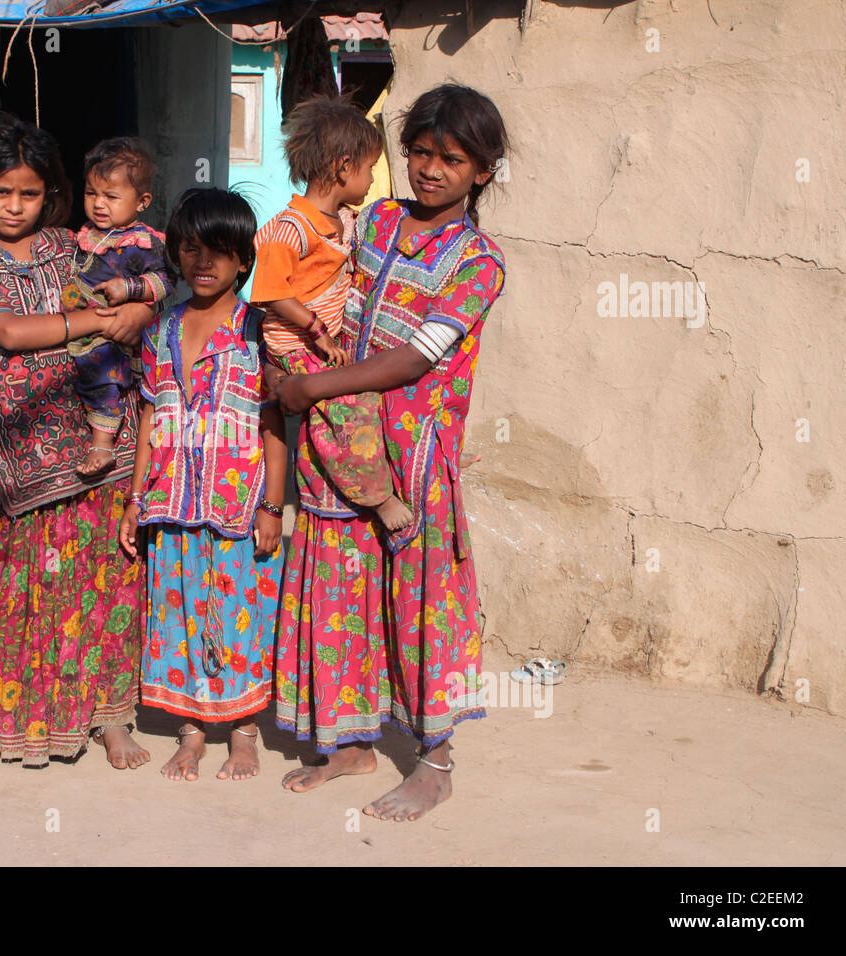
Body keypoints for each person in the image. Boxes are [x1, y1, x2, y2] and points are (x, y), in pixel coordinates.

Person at [271, 84, 509, 821]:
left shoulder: (479, 260)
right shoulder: (369, 220)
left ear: (482, 173)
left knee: (418, 603)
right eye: (421, 152)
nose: (431, 169)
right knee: (339, 594)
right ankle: (351, 741)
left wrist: (309, 387)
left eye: (452, 158)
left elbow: (416, 359)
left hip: (412, 457)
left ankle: (434, 762)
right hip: (339, 443)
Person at [0, 115, 156, 768]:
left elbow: (148, 288)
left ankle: (111, 717)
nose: (14, 206)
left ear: (48, 195)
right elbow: (8, 333)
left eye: (28, 193)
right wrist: (101, 318)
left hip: (101, 445)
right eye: (1, 192)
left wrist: (142, 308)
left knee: (105, 583)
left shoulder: (76, 244)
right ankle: (24, 717)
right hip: (22, 453)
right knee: (27, 590)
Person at [119, 188, 286, 782]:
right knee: (180, 615)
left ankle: (243, 732)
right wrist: (136, 501)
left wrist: (271, 504)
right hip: (170, 506)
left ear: (243, 258)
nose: (204, 262)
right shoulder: (162, 330)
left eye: (219, 250)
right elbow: (149, 417)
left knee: (241, 612)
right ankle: (191, 731)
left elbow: (273, 422)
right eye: (191, 248)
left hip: (237, 507)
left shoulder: (258, 330)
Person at [250, 96, 412, 531]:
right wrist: (316, 329)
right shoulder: (291, 229)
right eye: (369, 168)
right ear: (343, 167)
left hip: (326, 342)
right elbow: (269, 292)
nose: (373, 178)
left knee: (371, 399)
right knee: (344, 409)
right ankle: (377, 497)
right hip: (296, 344)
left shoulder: (343, 219)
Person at [67, 137, 176, 479]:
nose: (99, 204)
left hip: (117, 335)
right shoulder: (87, 234)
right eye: (91, 193)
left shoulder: (143, 243)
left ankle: (102, 443)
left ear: (142, 201)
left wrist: (129, 287)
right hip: (84, 324)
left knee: (104, 375)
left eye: (111, 197)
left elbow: (167, 280)